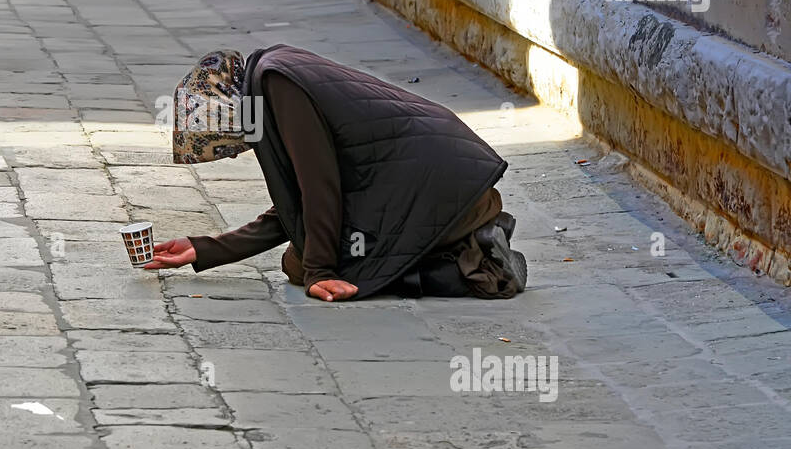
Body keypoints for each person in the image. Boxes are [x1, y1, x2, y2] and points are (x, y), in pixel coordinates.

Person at [144, 46, 527, 302]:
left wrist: (320, 272)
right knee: (300, 259)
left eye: (224, 142)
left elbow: (319, 186)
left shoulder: (278, 87)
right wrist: (206, 248)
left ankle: (482, 267)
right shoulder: (272, 72)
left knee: (308, 264)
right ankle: (466, 241)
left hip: (444, 190)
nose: (232, 152)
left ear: (226, 113)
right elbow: (298, 203)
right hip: (448, 182)